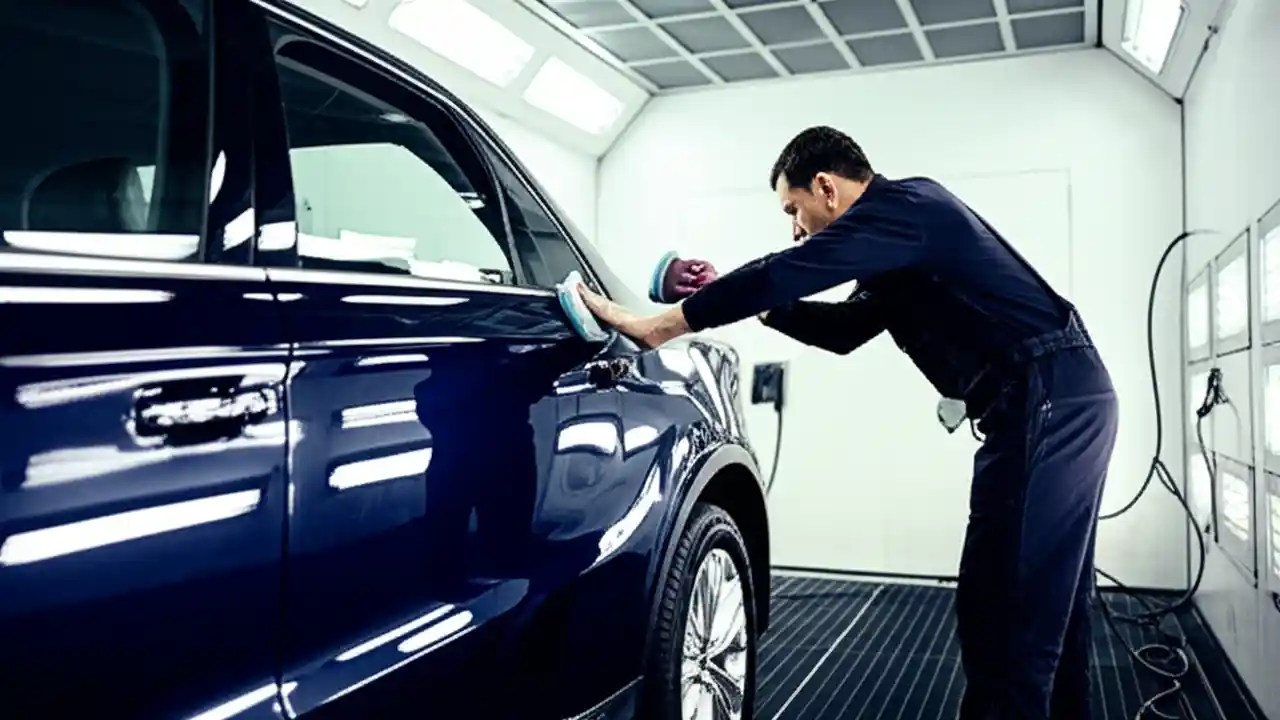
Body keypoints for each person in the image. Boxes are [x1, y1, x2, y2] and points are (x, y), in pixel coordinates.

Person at [576, 126, 1119, 720]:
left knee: (1005, 613)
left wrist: (661, 325)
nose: (795, 227)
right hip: (1058, 398)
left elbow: (789, 268)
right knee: (1049, 611)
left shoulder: (909, 207)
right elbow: (844, 331)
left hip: (1047, 397)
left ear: (826, 188)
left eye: (794, 209)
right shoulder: (896, 247)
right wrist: (755, 305)